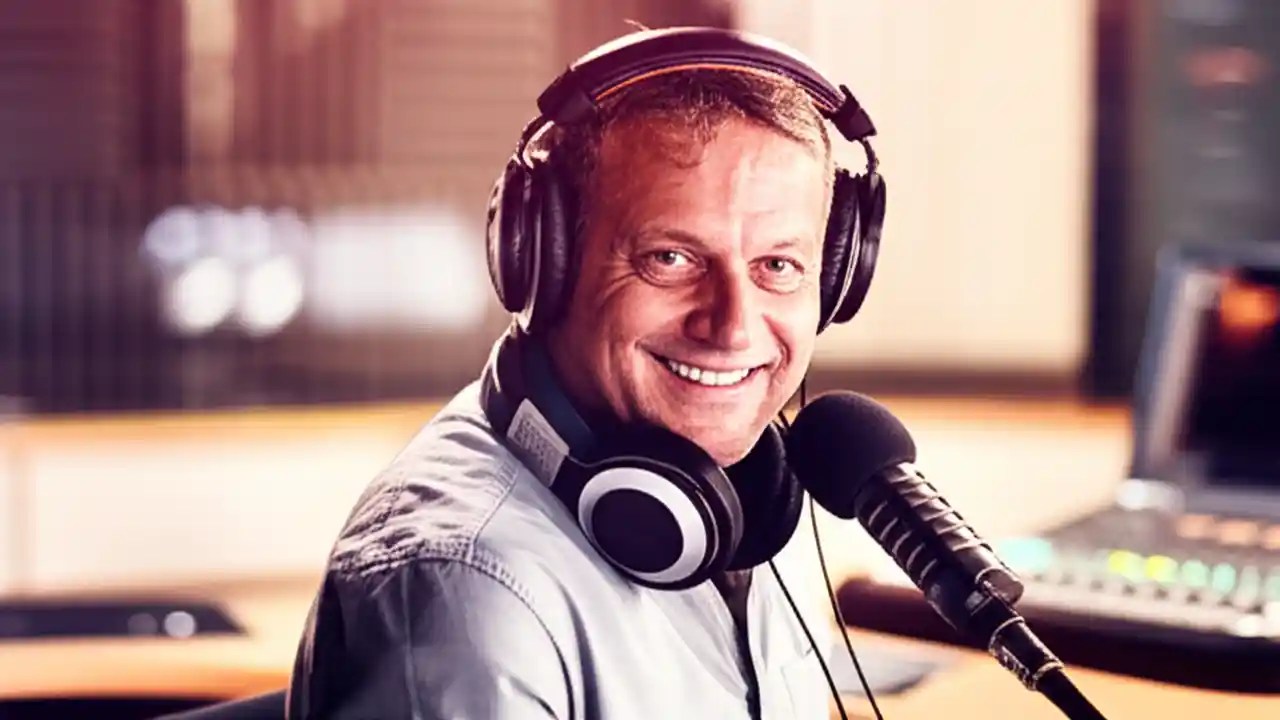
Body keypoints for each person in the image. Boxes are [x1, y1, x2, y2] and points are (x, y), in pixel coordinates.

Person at [287, 26, 886, 719]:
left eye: (778, 266)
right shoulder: (472, 593)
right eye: (670, 259)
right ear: (543, 263)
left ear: (835, 279)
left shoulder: (751, 499)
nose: (733, 328)